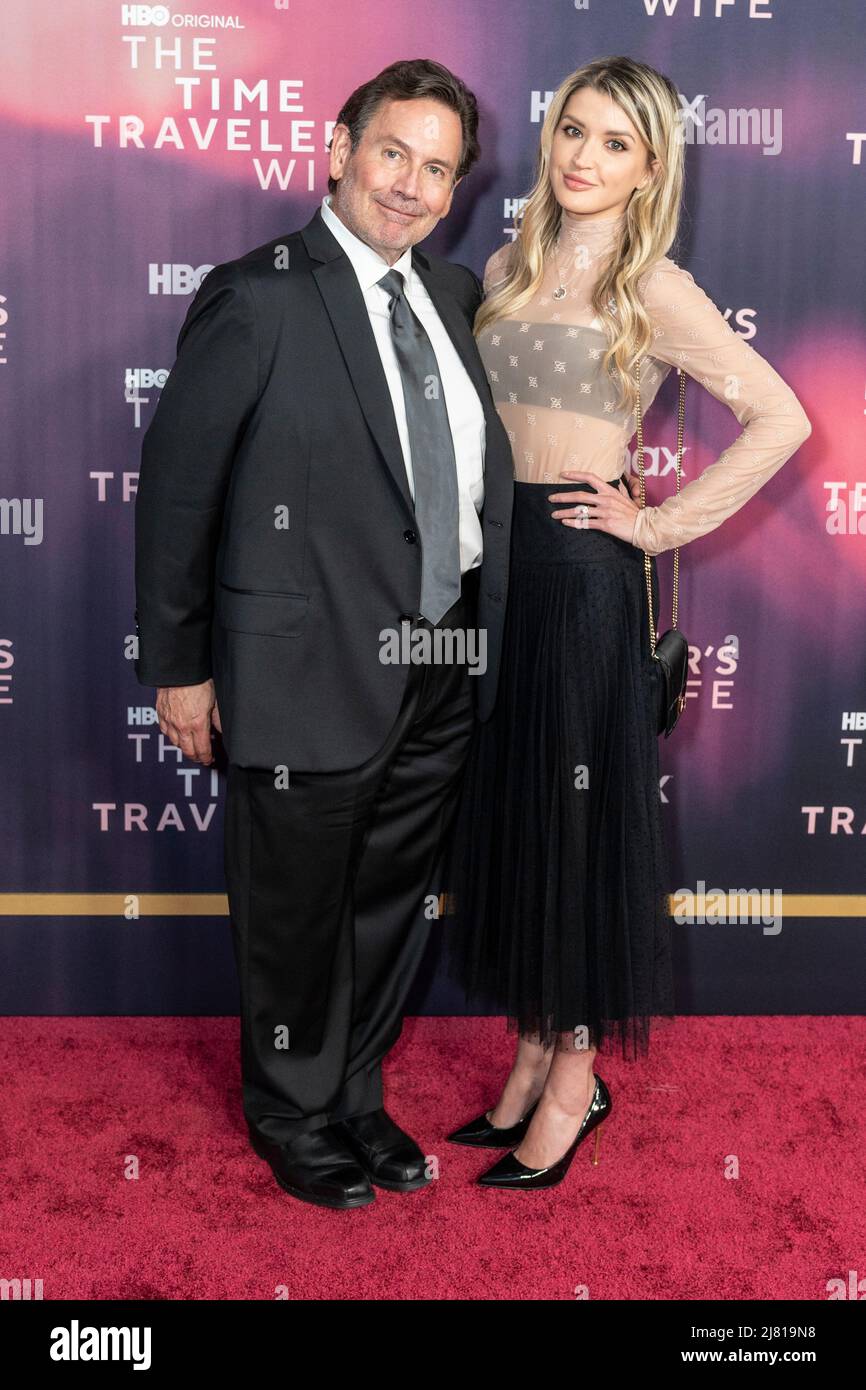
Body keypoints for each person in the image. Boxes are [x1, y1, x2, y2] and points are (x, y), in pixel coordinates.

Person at [133, 59, 518, 1209]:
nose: (409, 185)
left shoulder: (451, 298)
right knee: (296, 904)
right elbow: (178, 495)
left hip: (440, 662)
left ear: (456, 188)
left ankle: (355, 1095)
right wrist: (181, 667)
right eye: (392, 153)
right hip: (302, 670)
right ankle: (292, 1114)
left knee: (389, 902)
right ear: (339, 148)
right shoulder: (257, 294)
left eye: (437, 168)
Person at [444, 55, 812, 1191]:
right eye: (570, 131)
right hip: (496, 575)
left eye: (612, 141)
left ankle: (573, 1074)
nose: (580, 156)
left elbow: (779, 416)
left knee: (574, 827)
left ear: (650, 164)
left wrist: (651, 528)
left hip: (584, 578)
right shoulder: (504, 265)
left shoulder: (652, 286)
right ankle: (525, 1051)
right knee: (513, 816)